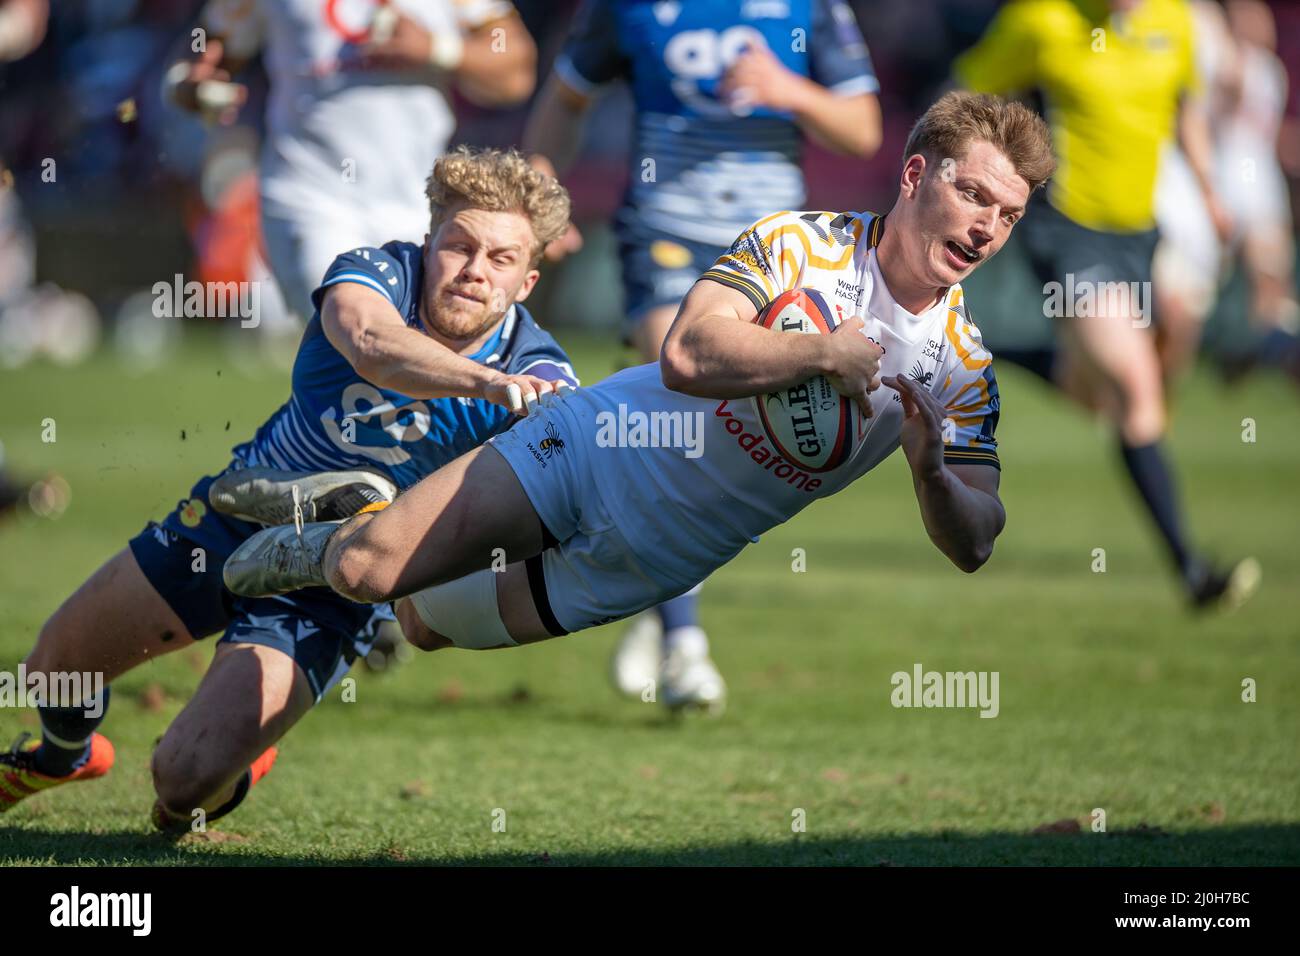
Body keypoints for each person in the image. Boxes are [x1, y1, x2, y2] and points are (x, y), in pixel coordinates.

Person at [222, 93, 1044, 694]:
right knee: (370, 570)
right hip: (593, 449)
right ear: (913, 175)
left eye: (1006, 215)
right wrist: (820, 352)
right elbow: (688, 352)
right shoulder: (800, 245)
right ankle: (327, 540)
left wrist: (934, 477)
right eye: (974, 194)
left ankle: (353, 511)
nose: (985, 228)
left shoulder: (962, 367)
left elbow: (975, 540)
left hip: (652, 559)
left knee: (422, 626)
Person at [1, 149, 578, 828]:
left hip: (334, 581)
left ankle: (236, 756)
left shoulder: (539, 369)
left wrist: (553, 423)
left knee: (180, 787)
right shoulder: (378, 274)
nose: (475, 270)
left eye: (501, 259)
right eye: (459, 245)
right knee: (53, 670)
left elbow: (553, 484)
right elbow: (369, 342)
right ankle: (63, 755)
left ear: (528, 281)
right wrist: (484, 385)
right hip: (238, 511)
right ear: (430, 243)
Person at [522, 0, 882, 712]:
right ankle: (685, 643)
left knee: (716, 443)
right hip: (665, 234)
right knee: (682, 396)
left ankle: (656, 595)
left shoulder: (811, 9)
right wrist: (540, 196)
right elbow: (565, 99)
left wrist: (790, 91)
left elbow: (862, 129)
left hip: (775, 252)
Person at [954, 0, 1259, 609]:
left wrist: (1207, 190)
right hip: (1067, 233)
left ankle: (977, 345)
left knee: (1099, 392)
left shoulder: (1174, 22)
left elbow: (1184, 108)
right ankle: (1193, 573)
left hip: (1142, 232)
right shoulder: (1040, 21)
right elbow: (966, 98)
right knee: (1136, 386)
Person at [166, 0, 538, 327]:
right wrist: (192, 87)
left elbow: (516, 71)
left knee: (413, 375)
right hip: (310, 198)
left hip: (421, 207)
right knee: (358, 336)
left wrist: (437, 50)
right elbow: (200, 57)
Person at [1154, 0, 1299, 385]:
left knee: (1271, 275)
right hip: (1221, 182)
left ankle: (1267, 345)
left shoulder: (1270, 71)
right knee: (1200, 286)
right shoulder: (1215, 63)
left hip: (1260, 185)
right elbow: (1208, 111)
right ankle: (1235, 350)